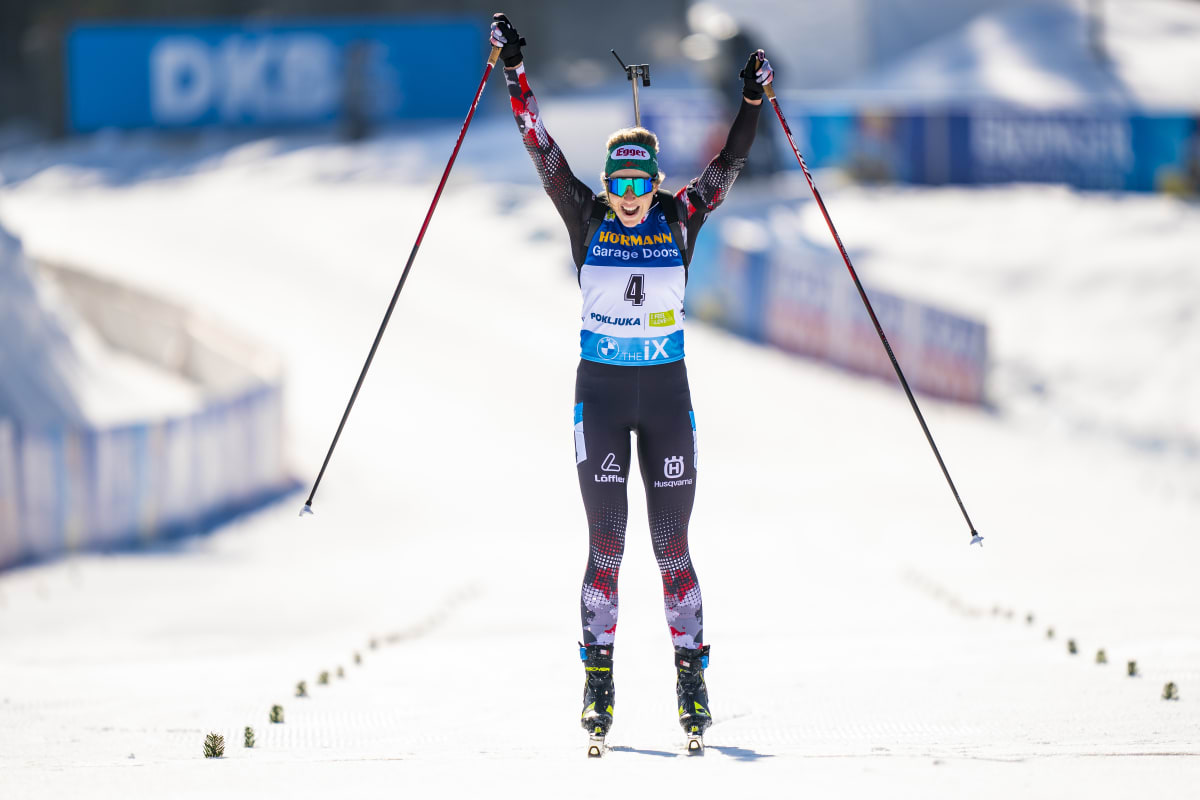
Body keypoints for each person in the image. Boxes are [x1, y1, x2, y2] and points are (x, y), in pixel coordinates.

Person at [490, 12, 772, 747]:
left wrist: (751, 100)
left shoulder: (681, 218)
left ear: (654, 181)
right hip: (603, 399)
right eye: (617, 181)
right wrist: (515, 72)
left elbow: (729, 164)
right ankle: (598, 681)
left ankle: (691, 679)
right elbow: (541, 147)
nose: (627, 194)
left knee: (672, 547)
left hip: (667, 398)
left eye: (639, 181)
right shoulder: (584, 217)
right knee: (607, 548)